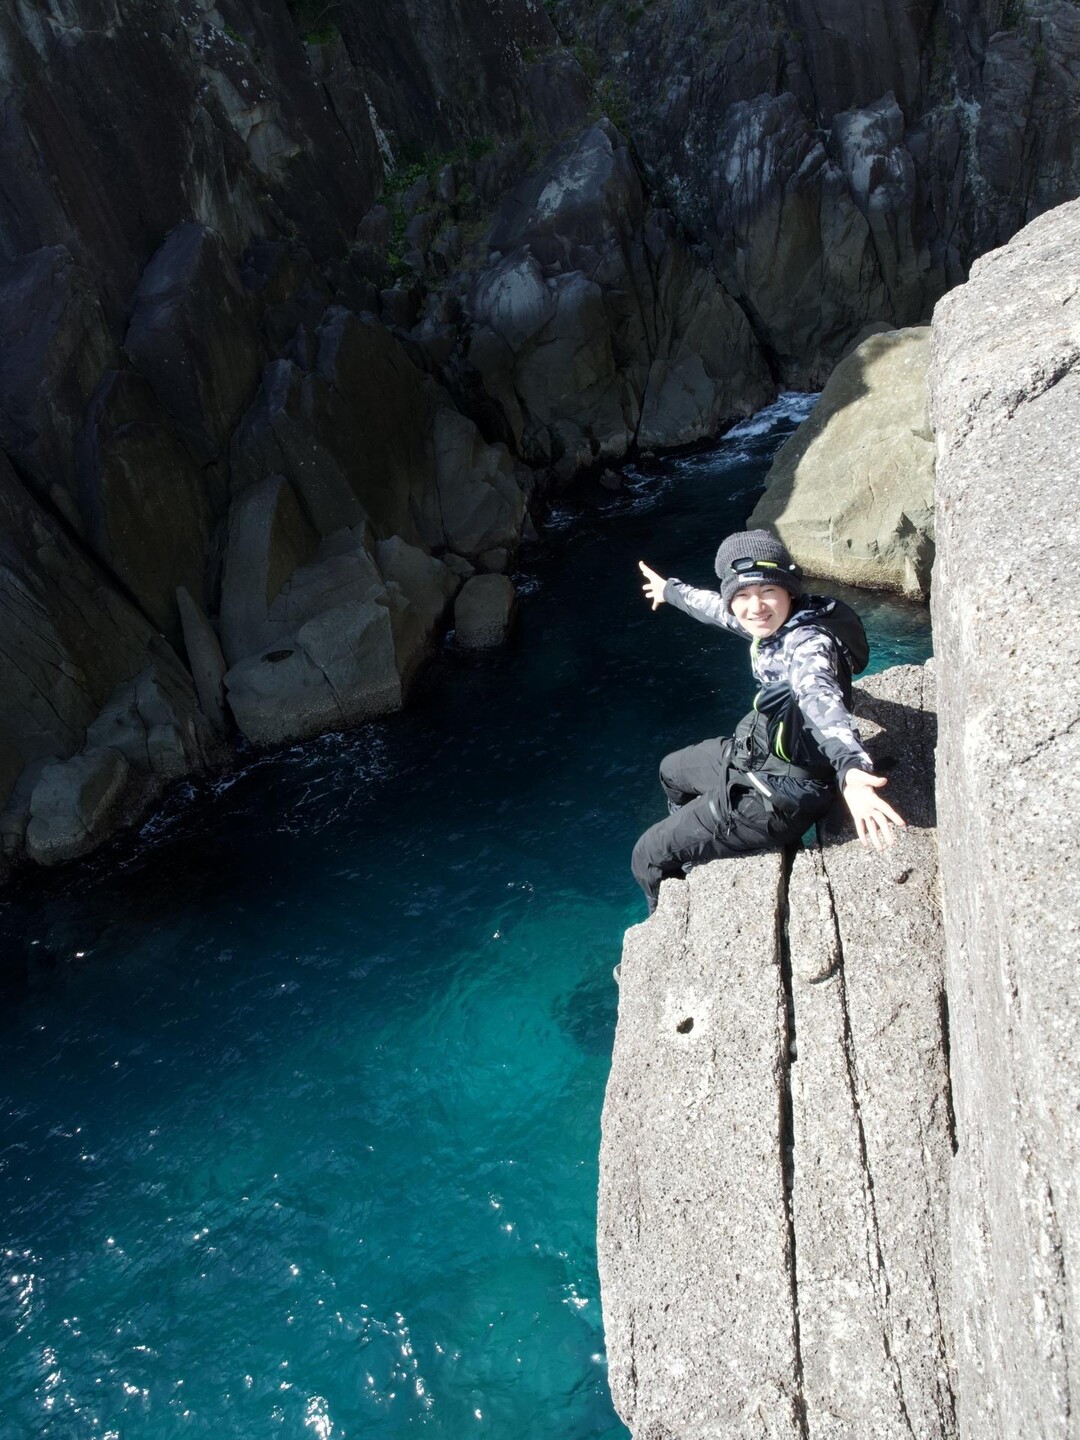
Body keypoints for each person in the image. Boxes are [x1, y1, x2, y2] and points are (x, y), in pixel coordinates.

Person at [631, 529, 904, 913]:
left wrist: (853, 772)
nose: (754, 606)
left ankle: (670, 914)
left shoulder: (807, 643)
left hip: (783, 792)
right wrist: (670, 591)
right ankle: (697, 850)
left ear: (789, 592)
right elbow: (716, 609)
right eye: (742, 595)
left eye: (767, 592)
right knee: (671, 771)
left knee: (646, 855)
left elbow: (820, 701)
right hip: (758, 753)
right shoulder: (772, 623)